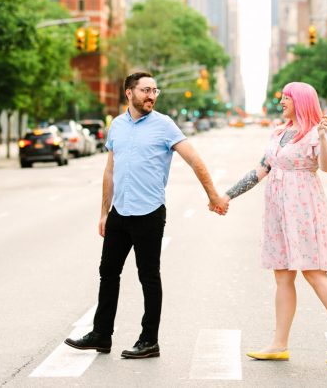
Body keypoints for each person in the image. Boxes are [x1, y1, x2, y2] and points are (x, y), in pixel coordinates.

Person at [65, 71, 230, 360]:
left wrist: (213, 195)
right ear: (129, 93)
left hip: (149, 213)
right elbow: (110, 170)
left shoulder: (164, 125)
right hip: (120, 211)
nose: (151, 95)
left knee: (148, 277)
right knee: (108, 273)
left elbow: (195, 161)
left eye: (154, 90)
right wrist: (105, 212)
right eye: (145, 90)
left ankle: (149, 339)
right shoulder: (117, 125)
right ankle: (102, 334)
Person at [222, 81, 327, 366]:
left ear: (300, 101)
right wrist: (226, 195)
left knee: (313, 272)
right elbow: (261, 169)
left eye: (286, 98)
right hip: (277, 209)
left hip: (302, 208)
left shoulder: (315, 133)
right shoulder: (279, 133)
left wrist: (323, 137)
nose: (282, 102)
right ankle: (279, 344)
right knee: (283, 275)